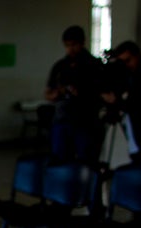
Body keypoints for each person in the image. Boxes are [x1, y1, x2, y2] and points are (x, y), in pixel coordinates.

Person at [45, 25, 104, 163]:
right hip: (62, 121)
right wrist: (60, 92)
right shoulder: (60, 66)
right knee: (60, 161)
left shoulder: (93, 66)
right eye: (67, 45)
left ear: (82, 43)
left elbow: (100, 94)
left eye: (74, 45)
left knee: (86, 161)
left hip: (86, 122)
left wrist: (82, 93)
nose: (70, 49)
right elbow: (48, 93)